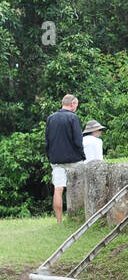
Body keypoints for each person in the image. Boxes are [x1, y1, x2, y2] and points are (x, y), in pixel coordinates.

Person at [44, 94, 84, 223]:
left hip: (56, 159)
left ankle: (59, 221)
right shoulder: (73, 117)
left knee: (58, 188)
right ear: (73, 104)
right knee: (78, 186)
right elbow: (78, 140)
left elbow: (47, 140)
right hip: (73, 158)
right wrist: (82, 155)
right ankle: (78, 218)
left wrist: (50, 156)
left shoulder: (51, 118)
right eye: (76, 105)